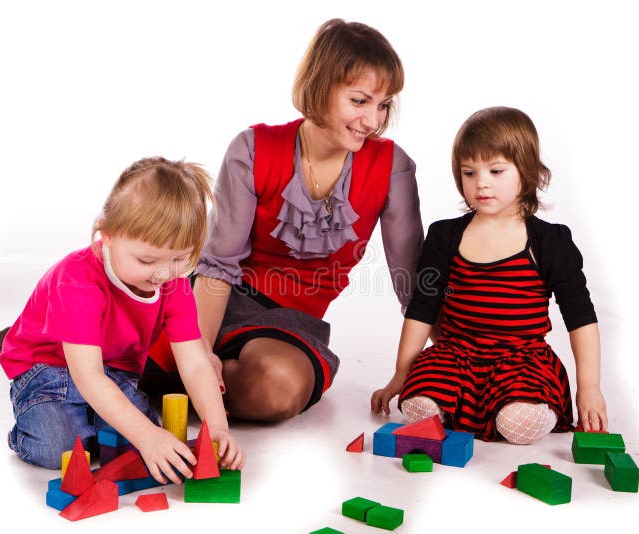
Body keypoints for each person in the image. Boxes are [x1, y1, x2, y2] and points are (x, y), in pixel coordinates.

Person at [143, 18, 424, 421]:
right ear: (320, 86)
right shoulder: (253, 149)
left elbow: (412, 283)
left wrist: (455, 359)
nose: (373, 120)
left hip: (289, 326)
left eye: (383, 104)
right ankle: (134, 371)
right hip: (214, 302)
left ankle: (164, 390)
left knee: (275, 390)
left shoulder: (392, 167)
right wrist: (198, 355)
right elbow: (219, 268)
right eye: (359, 101)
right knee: (119, 347)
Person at [0, 157, 245, 482]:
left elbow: (196, 363)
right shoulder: (78, 280)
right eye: (147, 259)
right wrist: (147, 437)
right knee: (57, 449)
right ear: (108, 235)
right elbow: (87, 376)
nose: (163, 272)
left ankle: (93, 424)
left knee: (138, 443)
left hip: (114, 371)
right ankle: (26, 430)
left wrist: (217, 428)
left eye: (180, 258)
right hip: (50, 368)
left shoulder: (175, 284)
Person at [371, 107, 607, 444]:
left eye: (496, 170)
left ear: (526, 172)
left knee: (519, 425)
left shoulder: (548, 241)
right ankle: (463, 409)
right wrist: (400, 375)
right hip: (455, 355)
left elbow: (580, 317)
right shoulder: (445, 236)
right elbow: (421, 309)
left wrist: (590, 387)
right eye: (469, 173)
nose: (481, 182)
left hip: (521, 360)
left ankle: (503, 410)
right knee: (416, 405)